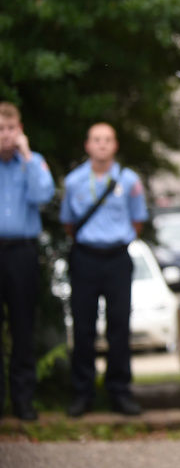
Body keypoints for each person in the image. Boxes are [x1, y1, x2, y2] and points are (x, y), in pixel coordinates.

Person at [60, 122, 149, 417]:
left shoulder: (130, 180)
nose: (101, 144)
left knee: (119, 326)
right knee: (83, 327)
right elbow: (69, 224)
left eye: (107, 139)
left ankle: (119, 392)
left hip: (117, 259)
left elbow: (137, 222)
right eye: (96, 139)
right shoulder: (74, 181)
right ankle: (82, 393)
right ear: (87, 145)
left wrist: (115, 240)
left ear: (115, 145)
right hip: (85, 257)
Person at [0, 102, 55, 421]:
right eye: (1, 130)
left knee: (23, 328)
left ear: (20, 130)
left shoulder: (33, 163)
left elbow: (42, 196)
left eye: (10, 129)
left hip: (22, 253)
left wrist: (28, 156)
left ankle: (23, 402)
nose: (5, 136)